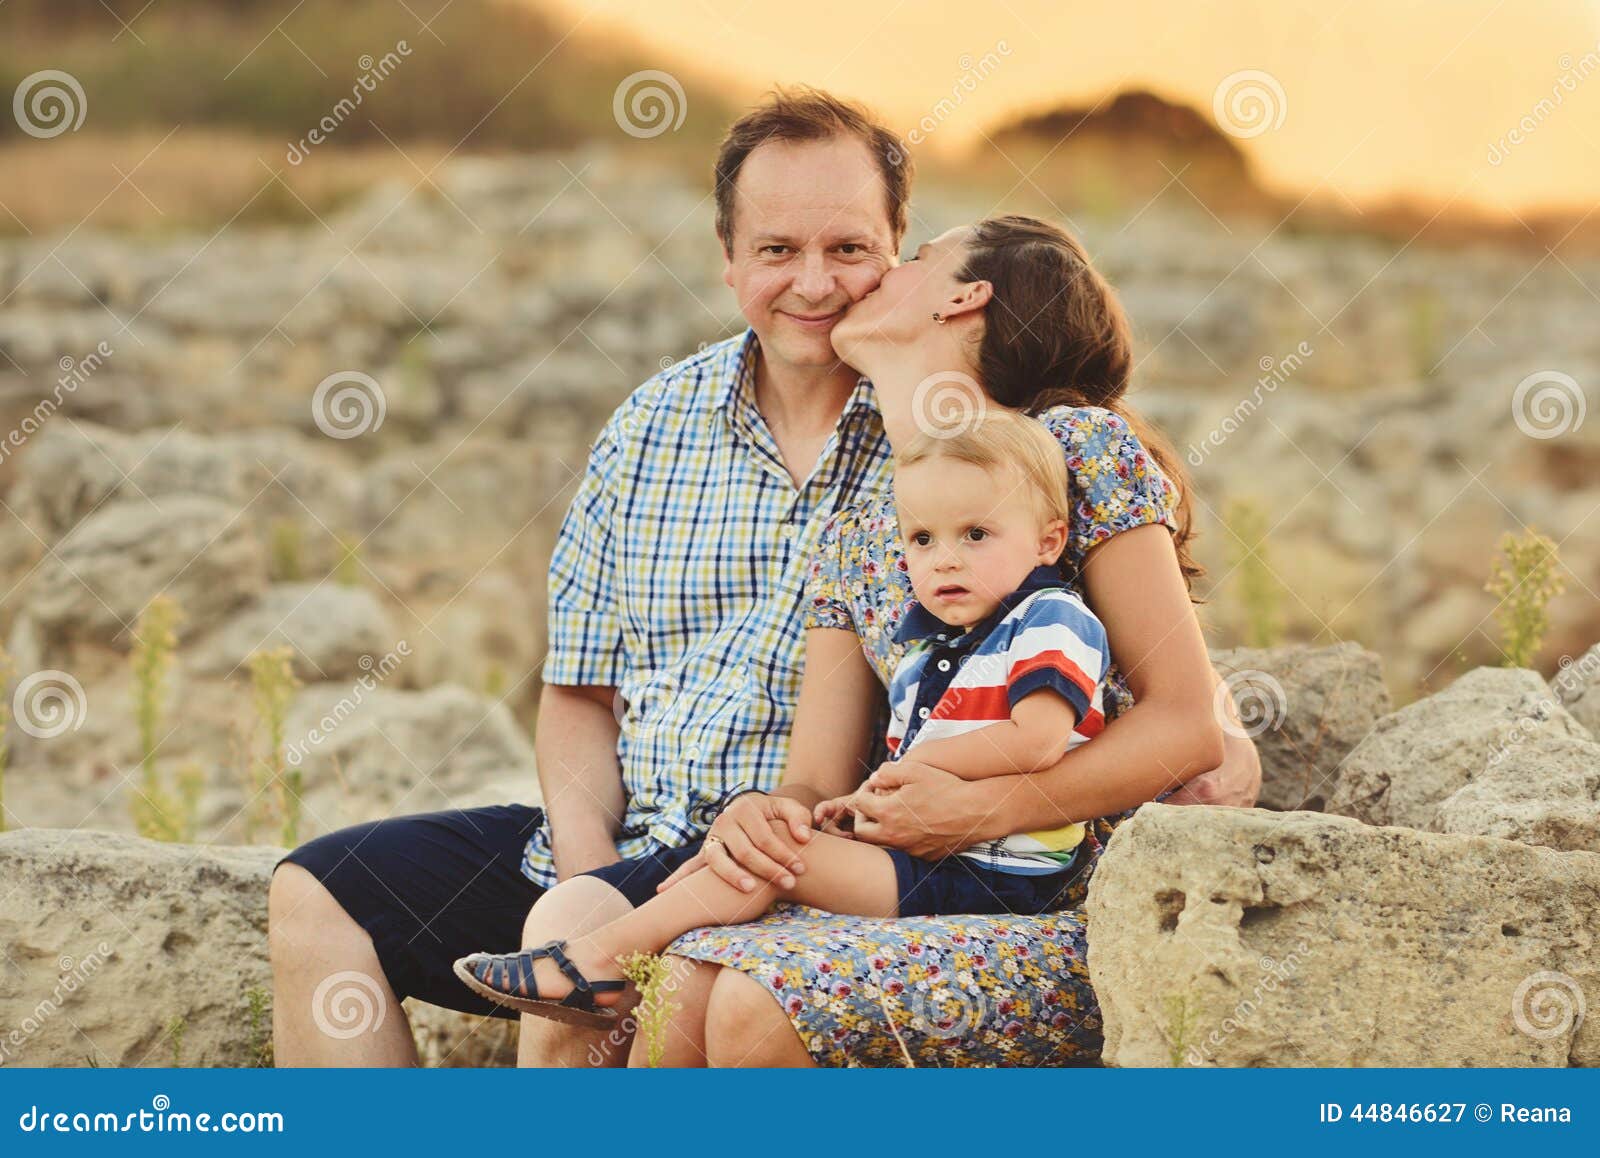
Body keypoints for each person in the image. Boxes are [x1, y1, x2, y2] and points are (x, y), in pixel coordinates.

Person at [266, 88, 1258, 1069]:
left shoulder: (996, 452)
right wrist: (610, 873)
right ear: (728, 258)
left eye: (857, 252)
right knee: (324, 890)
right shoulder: (672, 433)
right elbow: (582, 690)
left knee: (695, 981)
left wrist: (1214, 718)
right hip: (687, 843)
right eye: (778, 251)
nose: (819, 286)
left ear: (901, 257)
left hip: (901, 865)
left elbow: (1159, 674)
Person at [451, 410, 1118, 1021]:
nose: (946, 557)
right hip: (940, 859)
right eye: (921, 539)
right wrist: (855, 807)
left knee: (784, 858)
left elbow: (1035, 740)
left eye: (976, 534)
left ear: (1048, 540)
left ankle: (601, 959)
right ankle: (618, 955)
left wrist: (912, 769)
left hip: (1007, 874)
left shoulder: (1050, 620)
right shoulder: (926, 650)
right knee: (770, 852)